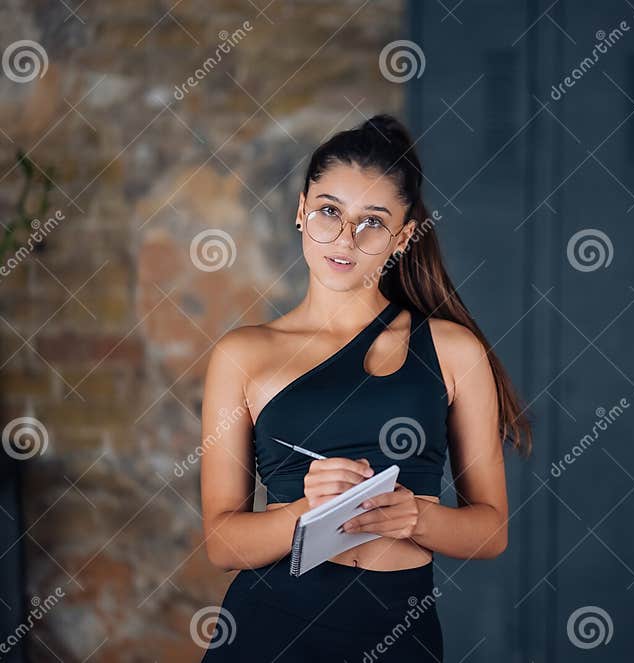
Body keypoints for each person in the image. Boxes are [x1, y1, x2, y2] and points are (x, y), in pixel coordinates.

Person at [196, 113, 533, 661]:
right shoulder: (242, 354)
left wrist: (418, 516)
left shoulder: (453, 350)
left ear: (403, 236)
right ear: (301, 211)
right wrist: (306, 510)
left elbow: (491, 531)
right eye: (329, 211)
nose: (345, 238)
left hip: (400, 634)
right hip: (269, 632)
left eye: (371, 222)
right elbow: (222, 544)